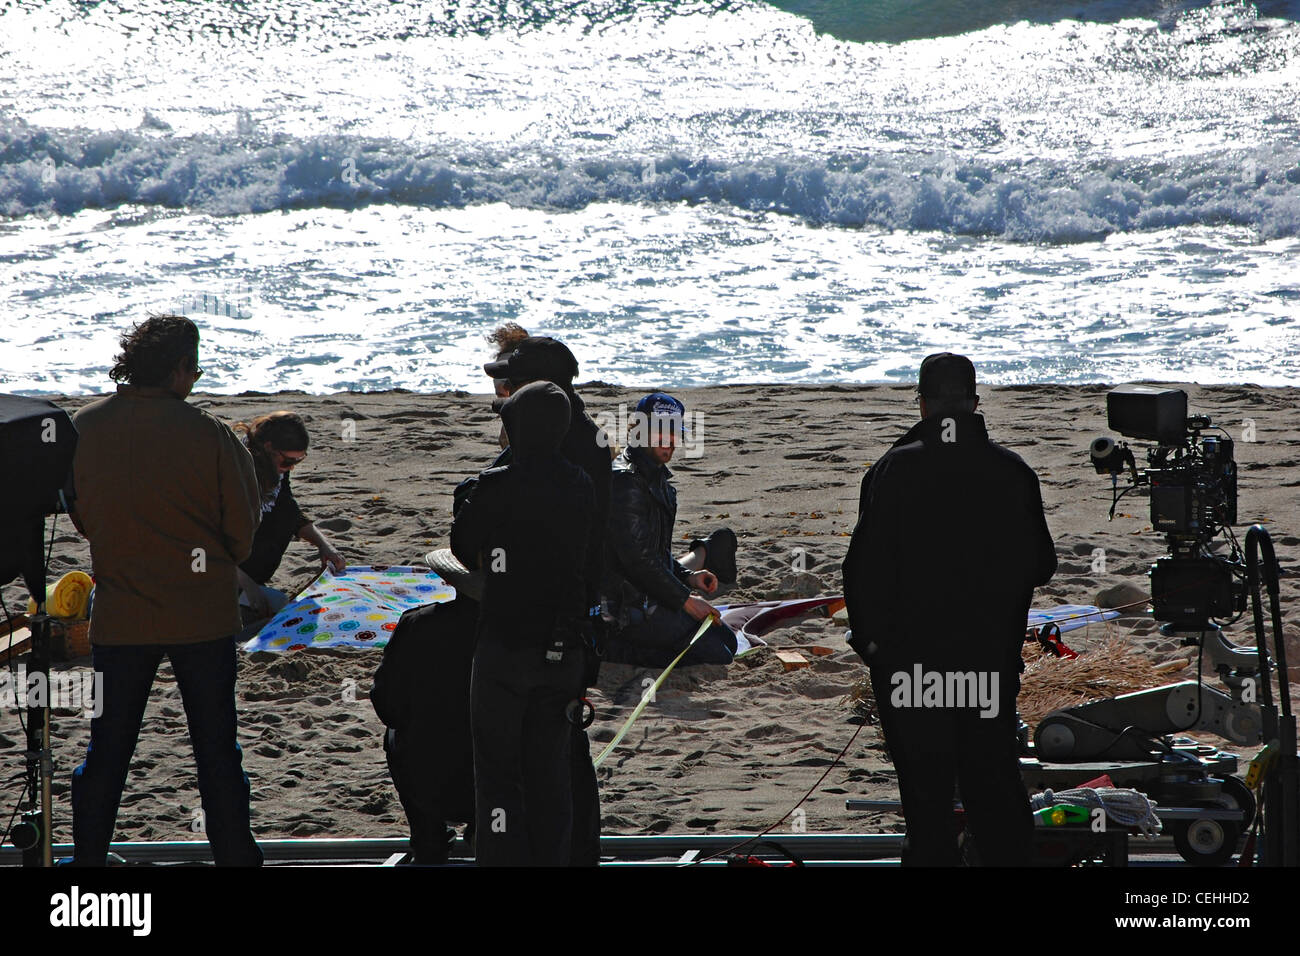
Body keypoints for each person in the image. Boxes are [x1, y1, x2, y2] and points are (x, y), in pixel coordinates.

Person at [840, 352, 1057, 866]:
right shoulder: (1012, 471)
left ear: (923, 403)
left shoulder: (895, 468)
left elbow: (860, 571)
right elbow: (1041, 564)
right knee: (995, 791)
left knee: (927, 800)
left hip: (911, 669)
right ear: (974, 402)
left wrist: (872, 647)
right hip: (986, 664)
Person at [67, 315, 263, 866]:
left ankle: (87, 863)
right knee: (217, 749)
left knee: (106, 749)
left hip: (122, 616)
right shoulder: (211, 435)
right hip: (200, 617)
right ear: (178, 368)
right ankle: (235, 857)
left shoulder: (84, 427)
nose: (196, 377)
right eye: (194, 366)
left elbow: (82, 516)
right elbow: (242, 537)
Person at [450, 381, 596, 866]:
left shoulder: (496, 485)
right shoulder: (580, 483)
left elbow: (461, 545)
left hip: (506, 646)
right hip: (564, 644)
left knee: (496, 776)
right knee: (550, 773)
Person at [602, 392, 738, 667]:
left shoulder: (658, 478)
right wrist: (687, 600)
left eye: (675, 432)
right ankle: (614, 650)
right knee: (718, 651)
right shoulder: (626, 482)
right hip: (624, 610)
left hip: (649, 596)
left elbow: (655, 553)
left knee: (727, 641)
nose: (670, 440)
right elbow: (637, 562)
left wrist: (688, 577)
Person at [233, 411, 345, 629]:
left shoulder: (276, 470)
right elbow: (204, 540)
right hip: (213, 571)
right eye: (288, 460)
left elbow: (290, 511)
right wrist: (246, 584)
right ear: (268, 447)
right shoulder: (236, 469)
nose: (291, 467)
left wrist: (325, 546)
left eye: (298, 460)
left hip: (251, 578)